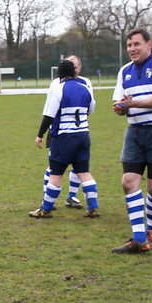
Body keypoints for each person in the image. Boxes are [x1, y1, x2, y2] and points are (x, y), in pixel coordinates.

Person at [110, 27, 152, 253]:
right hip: (135, 133)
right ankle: (139, 238)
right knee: (128, 181)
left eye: (136, 44)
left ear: (149, 45)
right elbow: (121, 103)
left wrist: (133, 104)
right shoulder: (124, 72)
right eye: (129, 45)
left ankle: (151, 230)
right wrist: (120, 108)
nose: (132, 49)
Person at [29, 58, 99, 219]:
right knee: (84, 172)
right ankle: (93, 206)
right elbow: (91, 109)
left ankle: (45, 209)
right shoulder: (85, 88)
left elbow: (49, 115)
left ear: (59, 74)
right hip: (83, 135)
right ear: (75, 72)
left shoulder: (59, 89)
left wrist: (40, 135)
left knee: (56, 174)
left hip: (64, 138)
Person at [42, 55, 91, 209]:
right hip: (58, 130)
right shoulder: (56, 84)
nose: (74, 69)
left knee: (78, 167)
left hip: (77, 130)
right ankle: (47, 200)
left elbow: (89, 107)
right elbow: (49, 109)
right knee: (54, 167)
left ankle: (71, 197)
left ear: (79, 68)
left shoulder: (86, 83)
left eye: (76, 66)